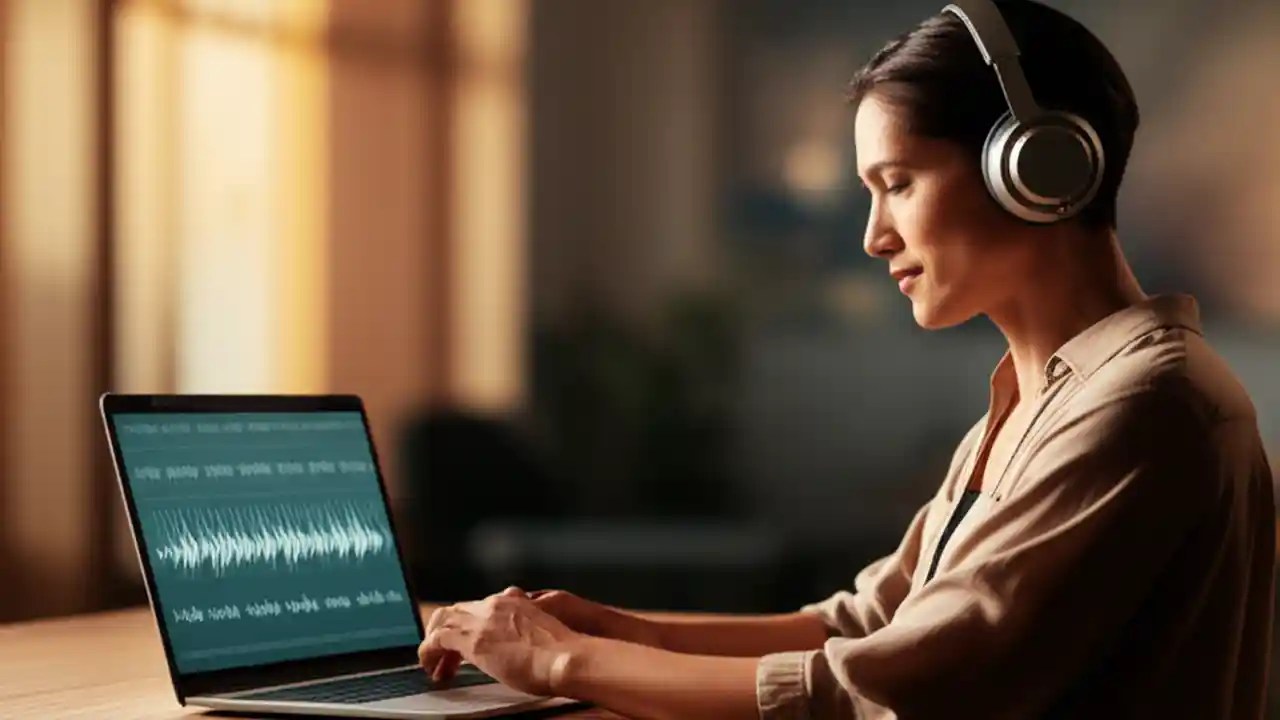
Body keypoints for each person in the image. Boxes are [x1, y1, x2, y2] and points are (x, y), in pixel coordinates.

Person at [417, 1, 1276, 717]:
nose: (874, 236)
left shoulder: (1144, 405)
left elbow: (884, 686)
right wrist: (611, 630)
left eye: (898, 183)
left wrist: (564, 667)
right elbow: (863, 624)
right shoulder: (1036, 400)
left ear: (1034, 166)